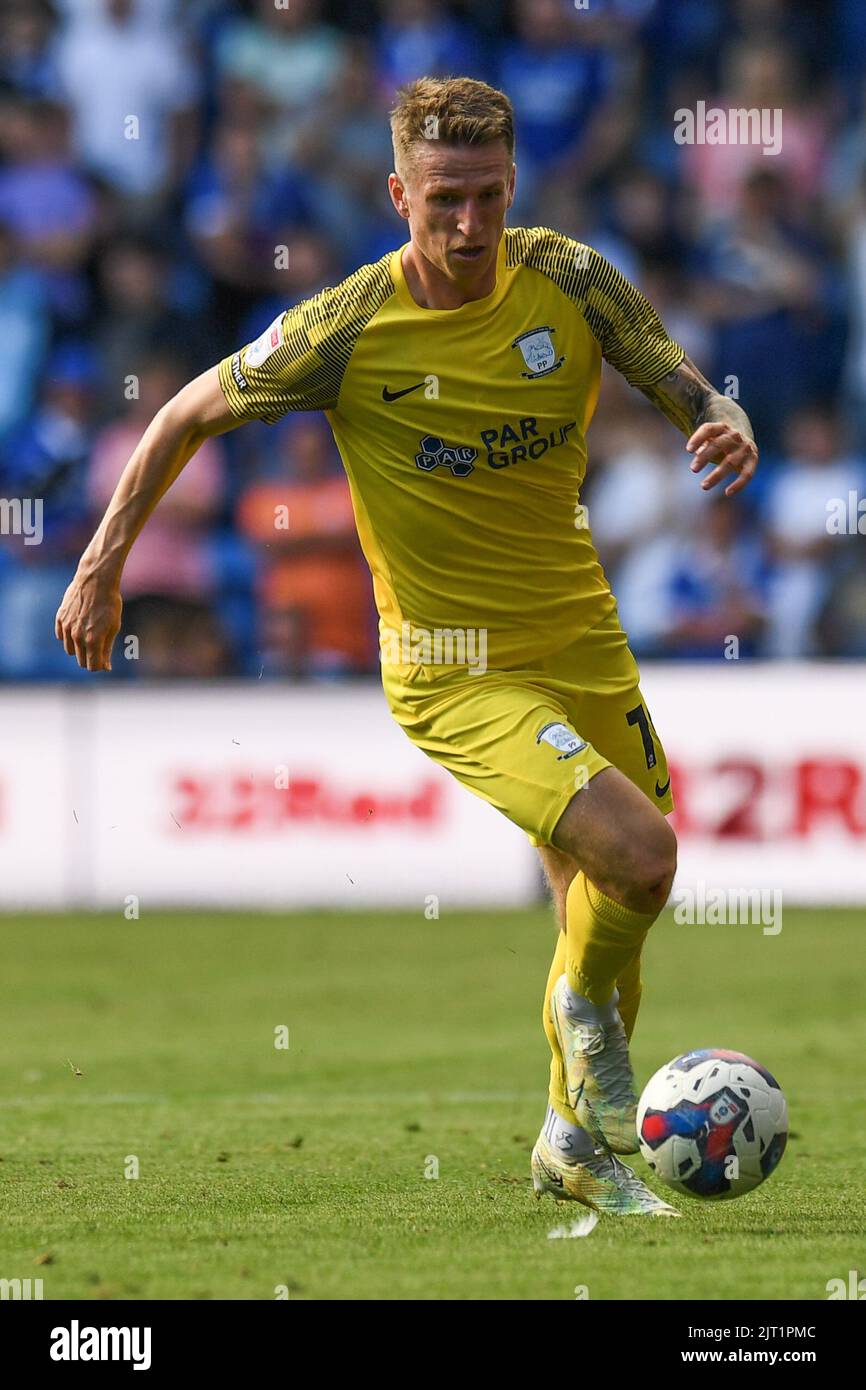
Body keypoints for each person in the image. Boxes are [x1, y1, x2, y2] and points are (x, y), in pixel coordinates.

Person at [55, 77, 758, 1217]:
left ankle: (569, 1143)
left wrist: (715, 420)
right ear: (397, 194)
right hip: (452, 666)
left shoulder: (567, 278)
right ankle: (578, 1023)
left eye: (487, 196)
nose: (469, 226)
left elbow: (669, 370)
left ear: (512, 186)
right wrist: (99, 564)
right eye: (443, 200)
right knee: (643, 856)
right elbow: (182, 412)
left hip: (582, 640)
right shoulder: (343, 329)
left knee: (605, 905)